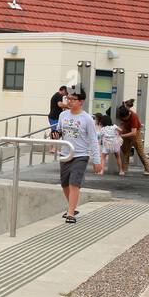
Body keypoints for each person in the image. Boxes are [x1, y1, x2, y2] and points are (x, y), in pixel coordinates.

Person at [53, 90, 102, 223]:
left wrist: (97, 160)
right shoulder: (63, 115)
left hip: (81, 155)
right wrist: (56, 134)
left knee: (74, 182)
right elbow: (59, 131)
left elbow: (93, 140)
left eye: (73, 99)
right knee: (64, 184)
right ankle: (72, 207)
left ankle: (70, 213)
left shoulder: (87, 119)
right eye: (68, 98)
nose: (69, 101)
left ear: (81, 101)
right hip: (65, 154)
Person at [116, 100, 149, 175]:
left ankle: (147, 169)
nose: (125, 119)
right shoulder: (121, 112)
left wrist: (121, 135)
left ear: (128, 113)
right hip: (126, 130)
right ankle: (124, 169)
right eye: (123, 118)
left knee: (140, 151)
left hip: (135, 132)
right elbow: (122, 124)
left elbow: (133, 133)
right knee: (125, 150)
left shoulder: (134, 117)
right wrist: (120, 131)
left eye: (126, 118)